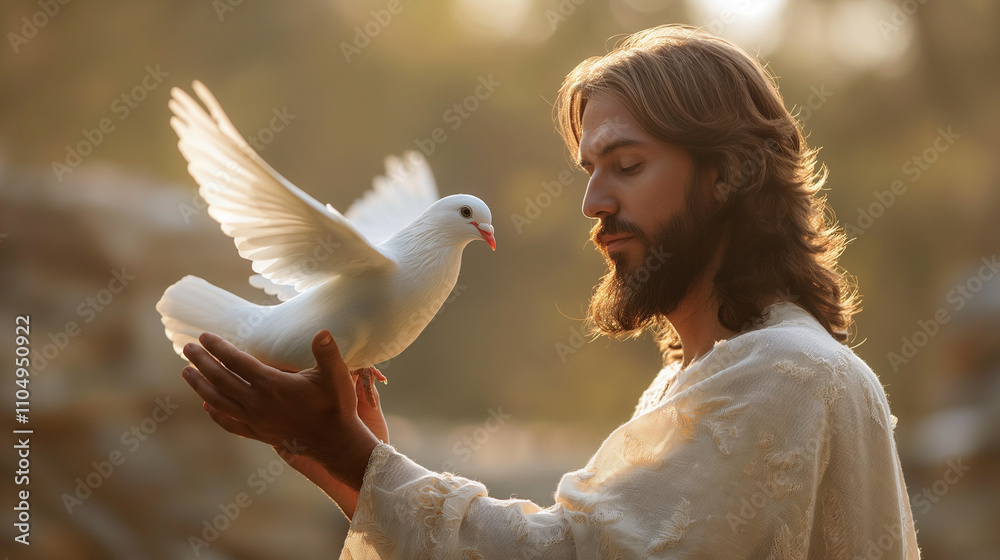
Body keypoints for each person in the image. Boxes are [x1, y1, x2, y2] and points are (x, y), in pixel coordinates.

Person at [181, 25, 921, 559]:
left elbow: (574, 556)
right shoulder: (699, 381)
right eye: (588, 171)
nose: (592, 202)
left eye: (626, 165)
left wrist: (356, 460)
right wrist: (360, 469)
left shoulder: (784, 376)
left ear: (728, 174)